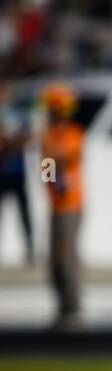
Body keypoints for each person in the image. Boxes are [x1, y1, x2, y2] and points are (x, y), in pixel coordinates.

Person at [40, 83, 84, 328]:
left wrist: (49, 151)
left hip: (72, 204)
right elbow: (47, 173)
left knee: (67, 256)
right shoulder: (50, 137)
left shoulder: (73, 134)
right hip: (56, 204)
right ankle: (62, 305)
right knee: (55, 258)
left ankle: (73, 306)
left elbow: (64, 157)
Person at [0, 83, 34, 266]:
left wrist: (49, 179)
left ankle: (30, 250)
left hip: (18, 173)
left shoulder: (20, 115)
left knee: (25, 214)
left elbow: (50, 155)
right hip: (3, 173)